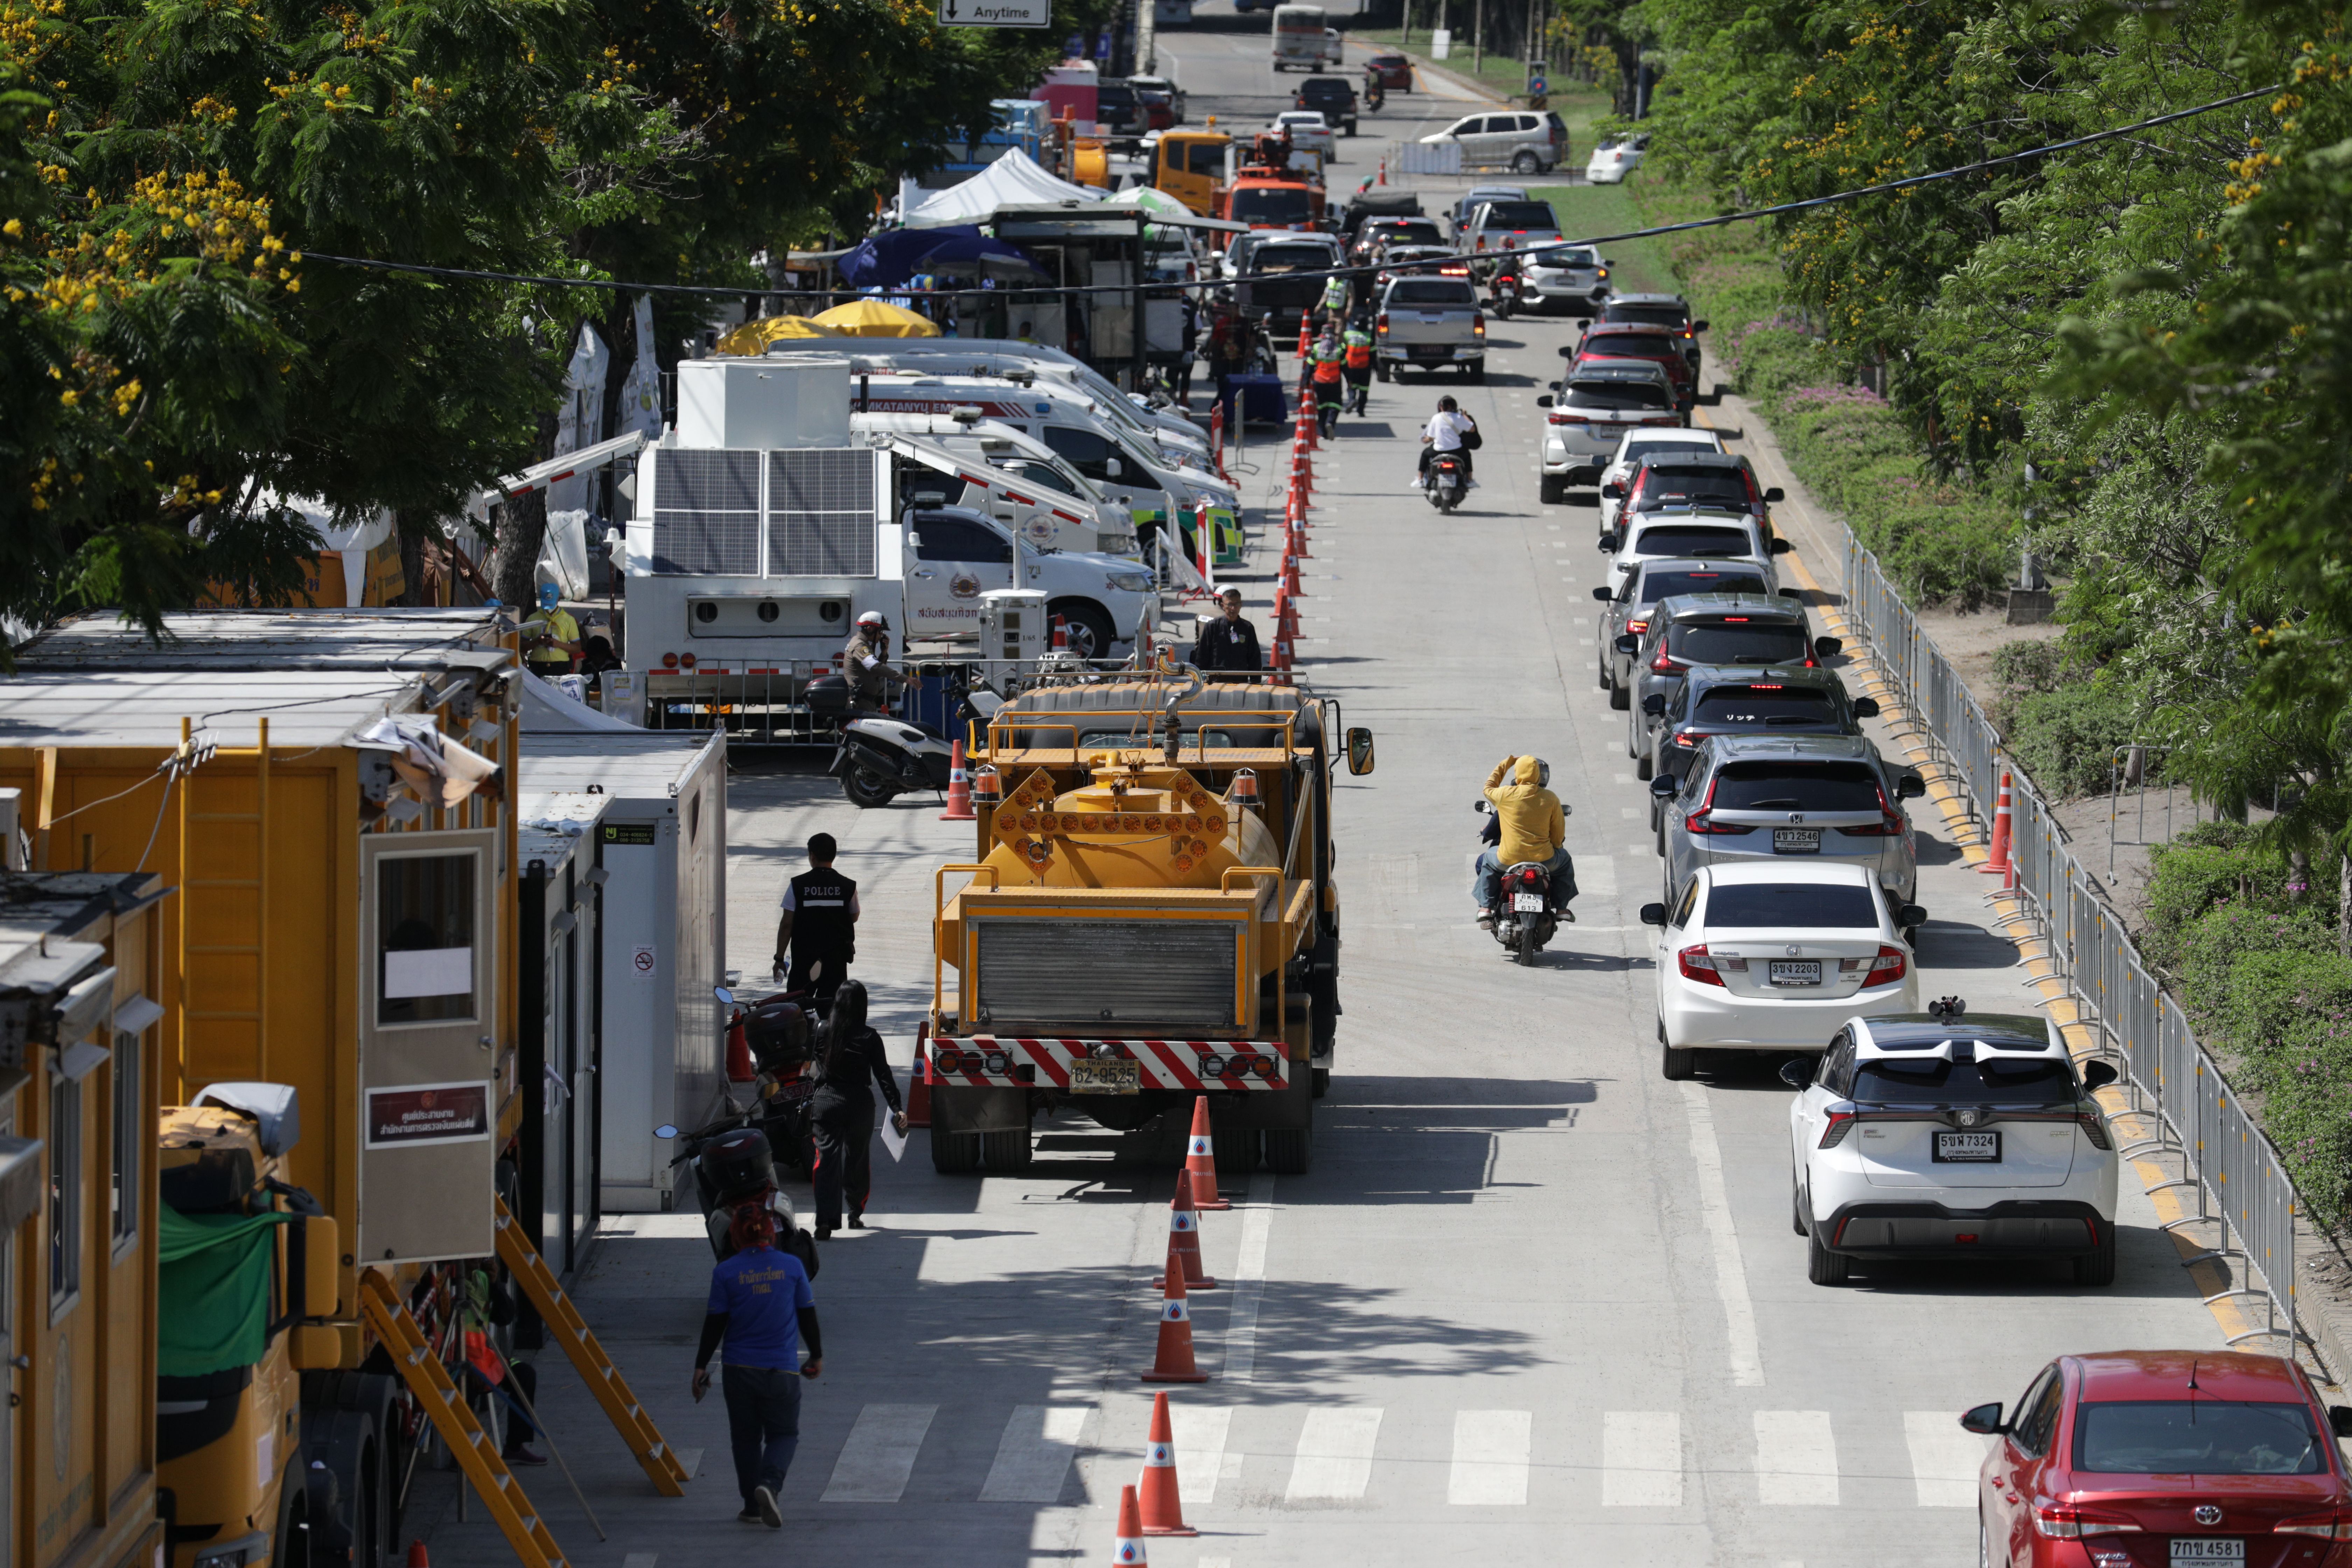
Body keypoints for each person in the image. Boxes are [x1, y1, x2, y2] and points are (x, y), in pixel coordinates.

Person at [693, 1204, 821, 1527]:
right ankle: (770, 1484)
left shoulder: (725, 1272)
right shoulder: (792, 1267)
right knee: (784, 1434)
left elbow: (715, 1323)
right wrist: (816, 1355)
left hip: (738, 1371)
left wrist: (700, 1367)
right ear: (771, 1233)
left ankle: (752, 1506)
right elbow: (807, 1315)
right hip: (781, 1371)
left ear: (734, 1236)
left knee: (745, 1439)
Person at [807, 981, 905, 1237]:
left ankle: (825, 1221)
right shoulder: (870, 1037)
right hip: (859, 1105)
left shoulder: (822, 1030)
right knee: (857, 1158)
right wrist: (897, 1107)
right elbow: (883, 1075)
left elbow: (814, 1068)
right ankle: (854, 1213)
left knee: (826, 1160)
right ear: (863, 1006)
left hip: (827, 1102)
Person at [1473, 754, 1575, 926]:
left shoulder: (1505, 794)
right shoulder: (1551, 798)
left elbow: (1488, 787)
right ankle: (1562, 909)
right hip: (1545, 859)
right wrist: (1557, 847)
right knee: (1565, 861)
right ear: (1538, 774)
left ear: (1518, 774)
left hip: (1508, 858)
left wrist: (1508, 762)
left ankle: (1486, 908)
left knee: (1488, 863)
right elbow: (1558, 834)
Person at [774, 833, 858, 1006]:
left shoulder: (798, 885)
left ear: (812, 856)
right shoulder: (848, 886)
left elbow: (786, 924)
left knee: (796, 1010)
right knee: (834, 1011)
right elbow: (854, 915)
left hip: (804, 960)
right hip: (836, 962)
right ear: (833, 856)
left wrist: (779, 959)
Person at [1192, 587, 1262, 671]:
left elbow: (1255, 658)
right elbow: (1202, 656)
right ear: (1223, 606)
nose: (1233, 609)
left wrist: (1255, 682)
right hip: (1216, 680)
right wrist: (1200, 679)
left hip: (1240, 680)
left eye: (1237, 604)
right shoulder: (1212, 627)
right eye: (1230, 605)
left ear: (1241, 605)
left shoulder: (1247, 628)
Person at [843, 609, 901, 710]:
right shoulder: (860, 646)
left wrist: (884, 653)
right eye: (880, 632)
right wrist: (904, 678)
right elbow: (876, 668)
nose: (882, 636)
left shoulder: (868, 646)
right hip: (861, 702)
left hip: (868, 701)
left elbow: (876, 673)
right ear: (870, 629)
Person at [1417, 394, 1478, 490]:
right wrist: (1465, 415)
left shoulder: (1436, 418)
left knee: (1425, 454)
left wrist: (1428, 439)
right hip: (1457, 451)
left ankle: (1420, 480)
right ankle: (1470, 480)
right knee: (1467, 456)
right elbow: (1472, 429)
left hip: (1438, 451)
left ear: (1441, 407)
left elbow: (1431, 437)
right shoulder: (1459, 417)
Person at [522, 583, 582, 676]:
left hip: (560, 668)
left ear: (558, 599)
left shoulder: (568, 620)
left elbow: (577, 648)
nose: (549, 608)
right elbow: (522, 647)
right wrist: (537, 641)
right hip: (537, 667)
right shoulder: (532, 619)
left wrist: (558, 644)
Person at [1308, 326, 1346, 423]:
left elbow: (1310, 367)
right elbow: (1345, 368)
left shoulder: (1316, 348)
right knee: (1336, 404)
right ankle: (1330, 422)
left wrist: (1305, 381)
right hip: (1335, 382)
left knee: (1322, 406)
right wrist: (1350, 380)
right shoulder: (1339, 349)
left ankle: (1324, 432)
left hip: (1319, 381)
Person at [1341, 313, 1375, 414]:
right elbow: (1373, 354)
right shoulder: (1370, 337)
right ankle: (1361, 410)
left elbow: (1343, 352)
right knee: (1364, 390)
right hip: (1365, 368)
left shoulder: (1347, 335)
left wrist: (1342, 366)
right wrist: (1374, 367)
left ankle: (1352, 400)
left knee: (1352, 387)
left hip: (1351, 367)